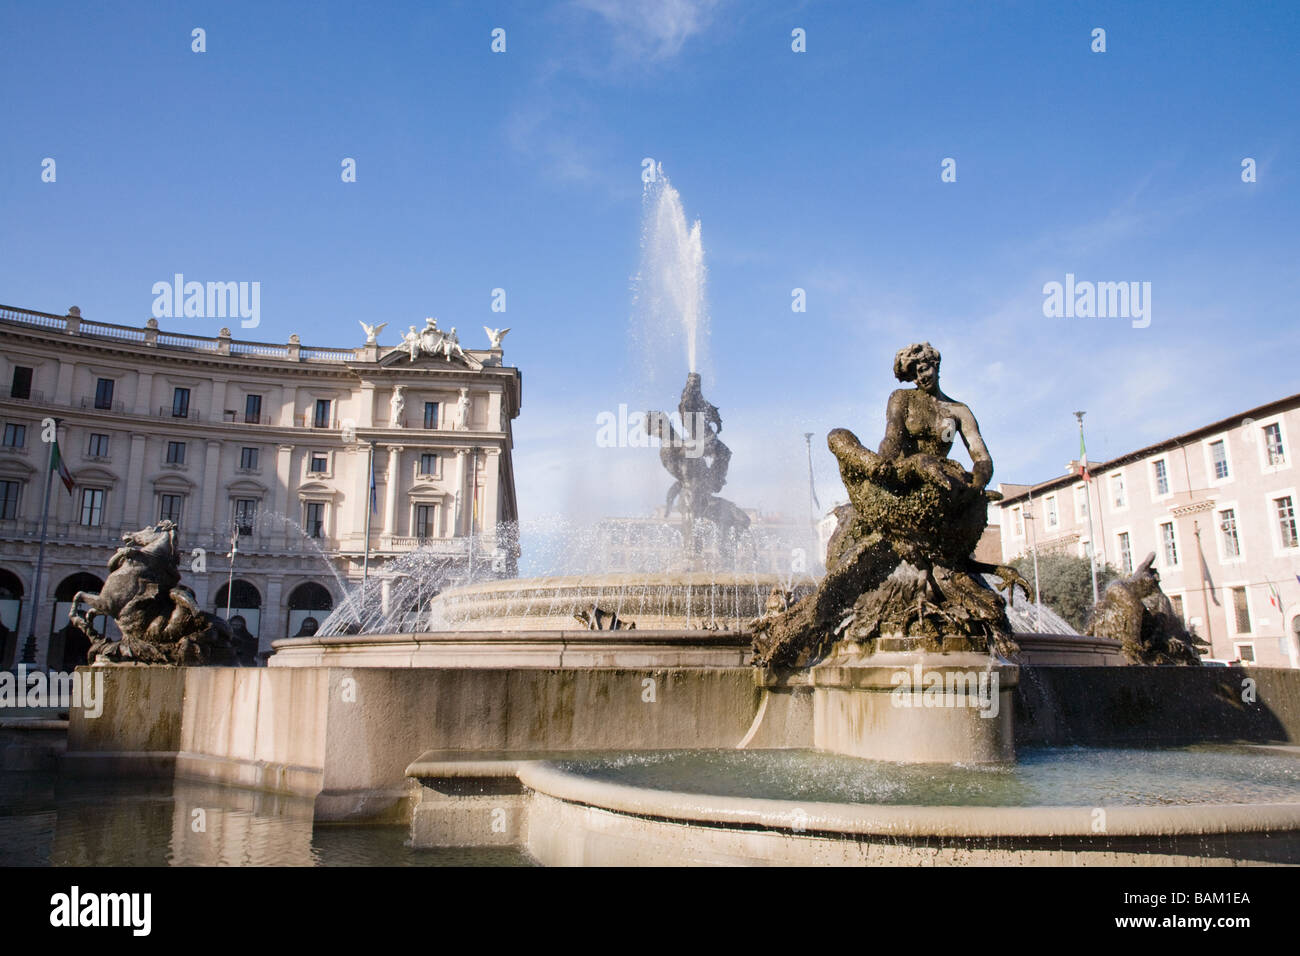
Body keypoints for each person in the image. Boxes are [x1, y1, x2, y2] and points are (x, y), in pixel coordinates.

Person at [830, 342, 992, 495]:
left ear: (935, 365)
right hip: (904, 472)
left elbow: (982, 457)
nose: (920, 377)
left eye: (922, 369)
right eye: (914, 375)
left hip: (939, 475)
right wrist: (882, 470)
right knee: (837, 435)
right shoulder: (903, 398)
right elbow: (892, 438)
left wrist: (978, 484)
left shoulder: (959, 410)